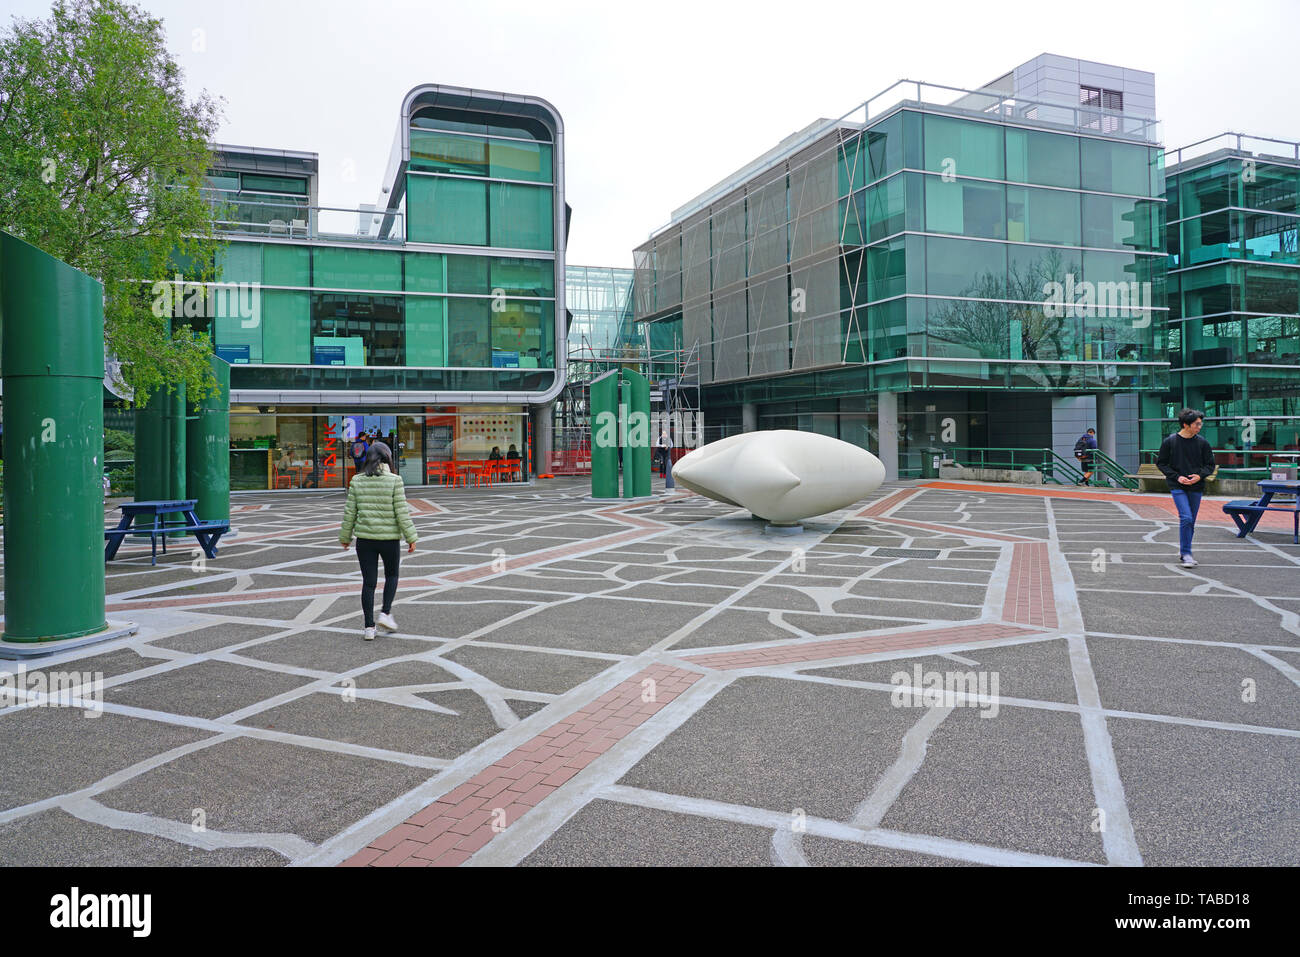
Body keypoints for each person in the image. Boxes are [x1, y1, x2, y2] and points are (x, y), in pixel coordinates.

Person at [339, 442, 418, 640]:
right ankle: (385, 612)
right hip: (389, 539)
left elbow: (350, 513)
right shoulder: (395, 480)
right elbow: (402, 512)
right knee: (392, 575)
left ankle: (368, 628)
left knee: (368, 583)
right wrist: (411, 537)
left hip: (365, 540)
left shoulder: (357, 481)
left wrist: (345, 537)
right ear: (387, 458)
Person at [1156, 409, 1216, 568]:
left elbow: (1210, 465)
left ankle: (1185, 552)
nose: (1200, 427)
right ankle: (1187, 554)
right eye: (1197, 424)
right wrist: (1177, 477)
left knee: (1191, 522)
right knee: (1186, 518)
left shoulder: (1202, 443)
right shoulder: (1170, 441)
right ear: (1185, 424)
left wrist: (1199, 476)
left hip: (1196, 486)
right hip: (1177, 486)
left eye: (1200, 424)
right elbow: (1161, 463)